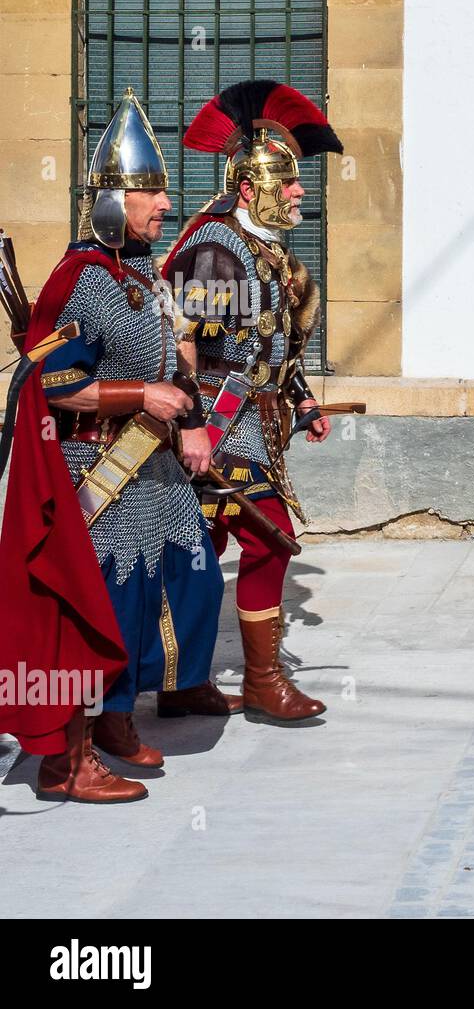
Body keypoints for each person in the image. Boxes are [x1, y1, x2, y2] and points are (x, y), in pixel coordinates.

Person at [0, 89, 224, 802]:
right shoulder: (82, 280)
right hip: (91, 463)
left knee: (184, 580)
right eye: (149, 195)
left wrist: (186, 409)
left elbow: (174, 351)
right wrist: (142, 396)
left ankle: (119, 718)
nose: (164, 208)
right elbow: (57, 383)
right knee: (92, 606)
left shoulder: (143, 273)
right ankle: (71, 756)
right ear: (109, 203)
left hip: (152, 466)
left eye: (161, 196)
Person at [161, 80, 342, 723]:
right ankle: (264, 683)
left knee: (201, 549)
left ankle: (181, 681)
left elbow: (270, 346)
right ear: (249, 187)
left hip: (257, 423)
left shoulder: (269, 253)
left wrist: (305, 400)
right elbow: (172, 339)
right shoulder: (216, 249)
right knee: (271, 541)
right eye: (286, 182)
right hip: (217, 425)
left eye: (297, 182)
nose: (299, 192)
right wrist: (192, 423)